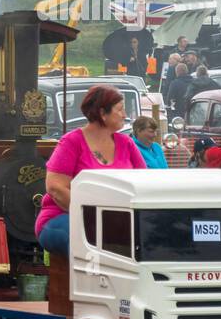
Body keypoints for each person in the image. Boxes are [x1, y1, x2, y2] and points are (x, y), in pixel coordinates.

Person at [36, 85, 146, 256]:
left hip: (118, 221)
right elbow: (55, 188)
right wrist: (97, 217)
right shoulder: (71, 142)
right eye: (120, 109)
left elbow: (144, 183)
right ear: (103, 113)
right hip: (62, 218)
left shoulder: (127, 143)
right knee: (94, 246)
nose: (125, 115)